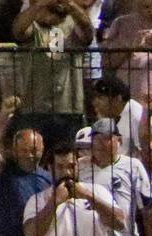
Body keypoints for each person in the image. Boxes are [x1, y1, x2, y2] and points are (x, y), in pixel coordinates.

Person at [77, 118, 152, 236]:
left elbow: (147, 209)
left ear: (118, 140)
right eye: (96, 138)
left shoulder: (133, 166)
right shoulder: (80, 168)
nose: (100, 144)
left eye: (105, 138)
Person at [11, 0, 95, 146]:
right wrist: (40, 4)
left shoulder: (73, 23)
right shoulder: (33, 23)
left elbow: (87, 31)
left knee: (67, 157)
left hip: (69, 108)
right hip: (34, 108)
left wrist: (70, 4)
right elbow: (19, 30)